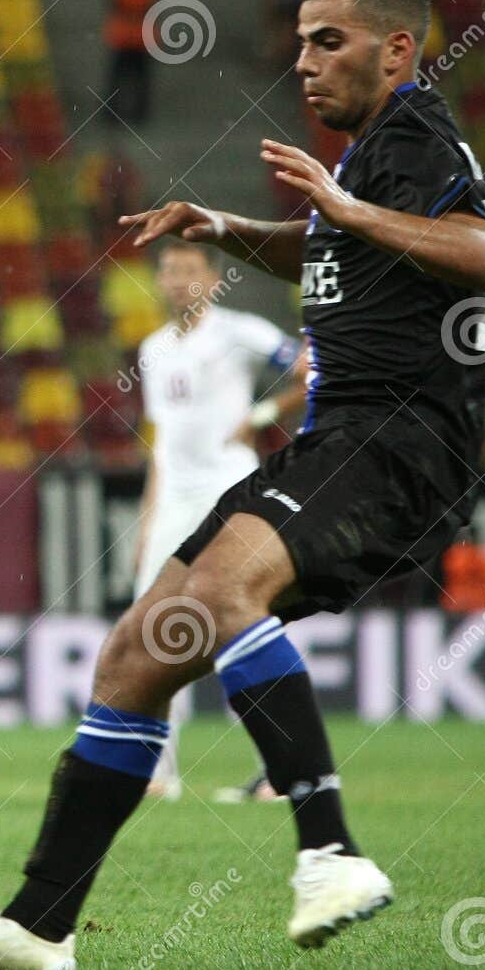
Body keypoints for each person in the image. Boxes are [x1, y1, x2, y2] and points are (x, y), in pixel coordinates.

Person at [0, 0, 485, 970]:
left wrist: (348, 212)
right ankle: (40, 920)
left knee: (224, 587)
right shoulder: (362, 159)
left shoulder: (414, 132)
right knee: (136, 654)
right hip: (336, 440)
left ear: (397, 50)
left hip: (396, 437)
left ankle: (329, 848)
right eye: (302, 38)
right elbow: (326, 250)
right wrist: (228, 226)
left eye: (331, 41)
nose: (305, 59)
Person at [133, 240, 306, 799]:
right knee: (152, 630)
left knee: (242, 622)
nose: (178, 280)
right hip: (175, 499)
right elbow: (161, 447)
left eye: (189, 270)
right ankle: (159, 772)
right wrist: (147, 523)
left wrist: (263, 412)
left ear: (211, 279)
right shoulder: (152, 348)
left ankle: (278, 770)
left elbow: (313, 365)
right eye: (168, 271)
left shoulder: (239, 330)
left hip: (231, 489)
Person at [103, 0, 159, 127]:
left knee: (122, 77)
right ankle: (135, 114)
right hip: (134, 37)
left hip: (128, 36)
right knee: (136, 79)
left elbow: (113, 3)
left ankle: (116, 113)